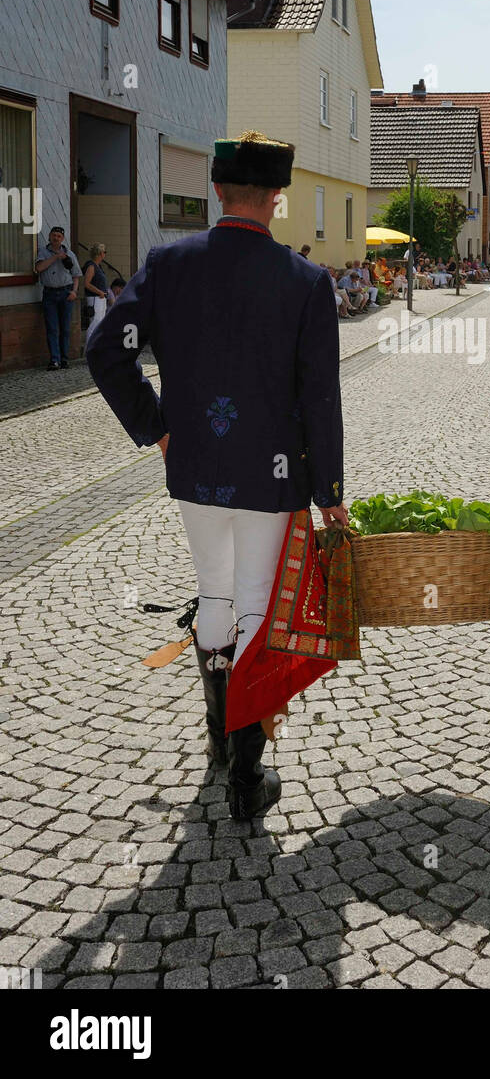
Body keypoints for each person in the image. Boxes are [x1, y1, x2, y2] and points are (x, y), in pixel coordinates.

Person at [87, 130, 346, 820]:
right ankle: (245, 774)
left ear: (217, 190)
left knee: (215, 596)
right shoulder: (306, 280)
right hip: (273, 471)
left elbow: (104, 349)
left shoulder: (167, 264)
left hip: (196, 462)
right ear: (278, 197)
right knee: (257, 603)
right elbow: (321, 397)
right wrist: (331, 494)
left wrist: (159, 427)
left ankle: (220, 746)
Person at [35, 226, 82, 370]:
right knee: (52, 328)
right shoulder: (43, 252)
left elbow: (76, 275)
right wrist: (55, 257)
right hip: (49, 294)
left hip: (66, 293)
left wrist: (74, 292)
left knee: (65, 328)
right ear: (49, 236)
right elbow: (39, 268)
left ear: (63, 239)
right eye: (54, 235)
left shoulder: (70, 254)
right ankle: (54, 360)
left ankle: (64, 359)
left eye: (59, 236)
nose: (56, 238)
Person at [82, 243, 110, 342]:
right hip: (95, 298)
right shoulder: (91, 266)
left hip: (100, 298)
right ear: (100, 253)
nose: (105, 254)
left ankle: (96, 347)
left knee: (100, 323)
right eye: (104, 252)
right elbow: (87, 283)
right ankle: (89, 349)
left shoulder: (99, 266)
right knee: (94, 323)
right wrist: (100, 292)